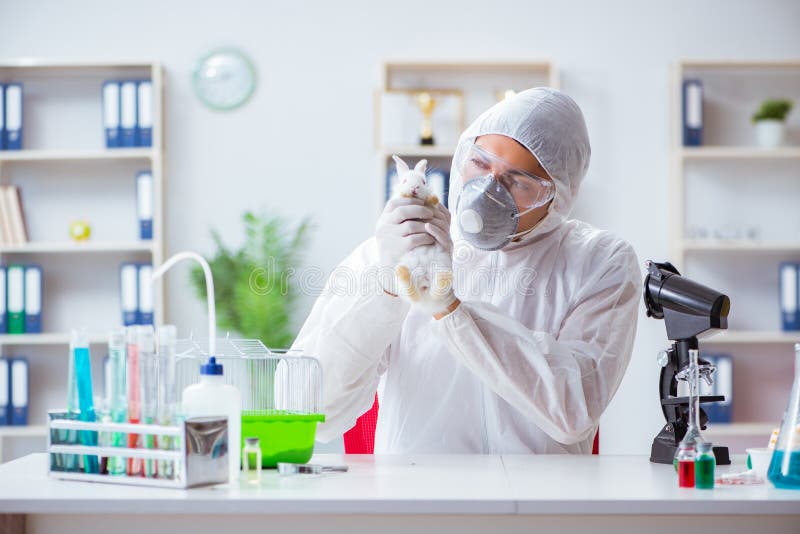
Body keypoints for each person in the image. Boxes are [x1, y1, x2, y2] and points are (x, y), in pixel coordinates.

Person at [293, 87, 640, 454]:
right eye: (480, 163)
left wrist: (450, 308)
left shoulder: (600, 261)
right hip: (419, 499)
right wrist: (387, 283)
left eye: (518, 182)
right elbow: (312, 410)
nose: (488, 189)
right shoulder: (399, 246)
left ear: (559, 195)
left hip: (539, 502)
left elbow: (573, 410)